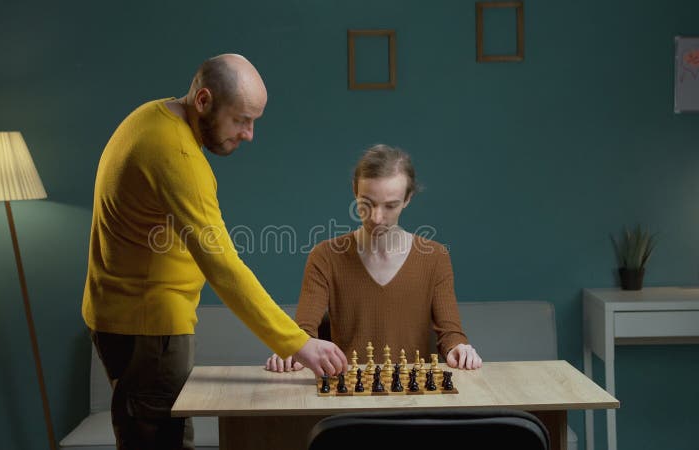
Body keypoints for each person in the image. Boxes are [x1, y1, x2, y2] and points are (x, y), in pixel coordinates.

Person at [82, 54, 347, 450]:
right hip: (150, 331)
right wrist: (297, 343)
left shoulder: (151, 116)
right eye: (242, 119)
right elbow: (224, 268)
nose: (249, 134)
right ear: (203, 100)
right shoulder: (179, 156)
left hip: (121, 318)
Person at [265, 144, 482, 374]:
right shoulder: (325, 257)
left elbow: (450, 334)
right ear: (354, 191)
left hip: (414, 397)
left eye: (390, 205)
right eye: (366, 203)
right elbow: (303, 333)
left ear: (408, 198)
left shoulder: (435, 257)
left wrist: (459, 348)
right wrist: (293, 350)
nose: (377, 218)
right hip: (348, 395)